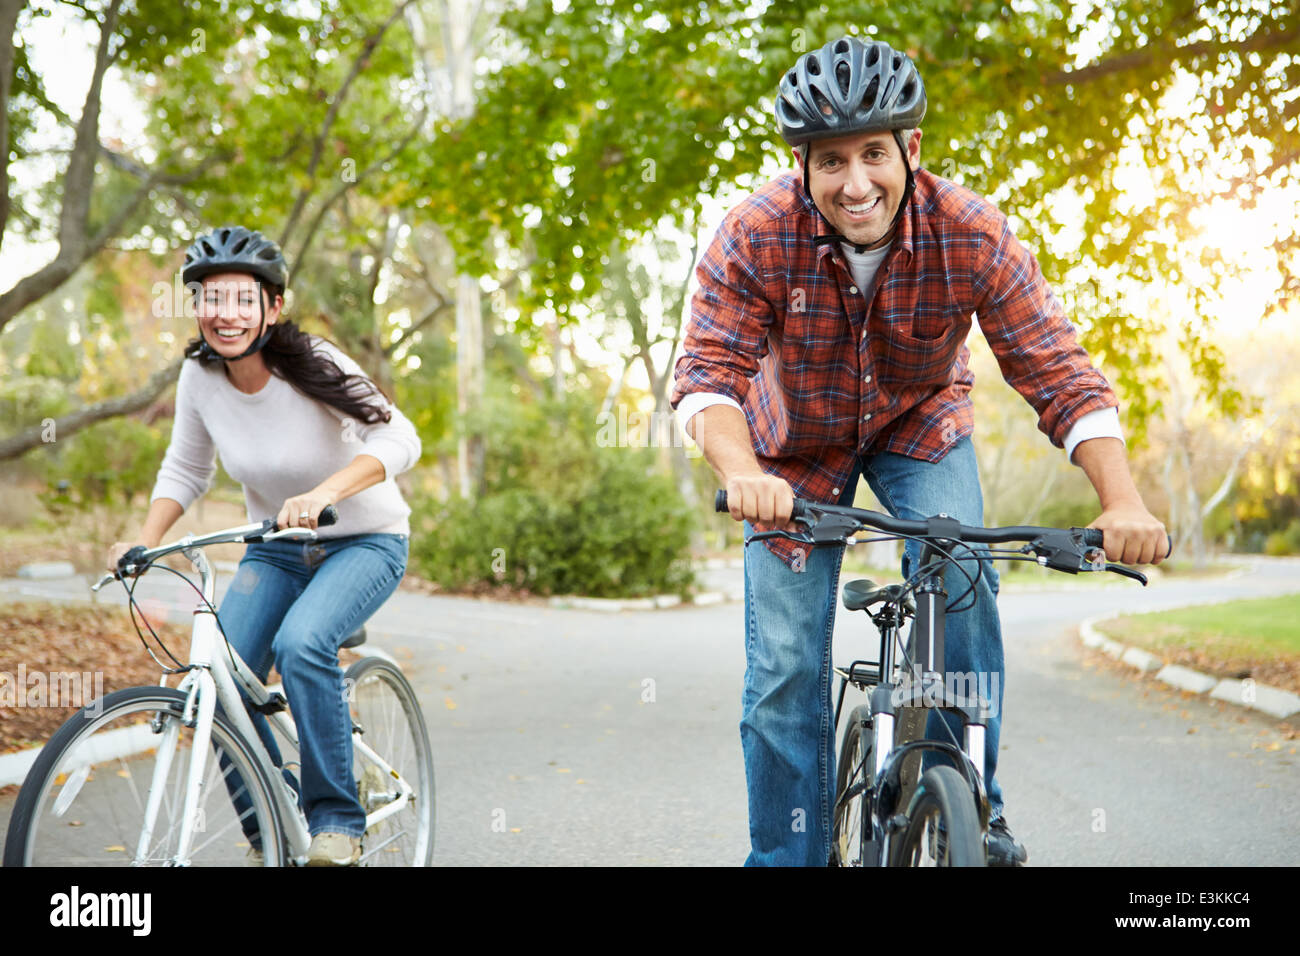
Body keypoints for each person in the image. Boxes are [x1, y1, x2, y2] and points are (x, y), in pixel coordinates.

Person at [671, 36, 1168, 867]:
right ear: (802, 165)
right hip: (789, 450)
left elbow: (1057, 370)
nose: (854, 182)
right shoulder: (754, 234)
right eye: (831, 161)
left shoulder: (971, 232)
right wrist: (742, 473)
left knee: (964, 582)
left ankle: (972, 804)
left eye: (874, 153)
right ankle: (784, 856)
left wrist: (1123, 500)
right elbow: (708, 377)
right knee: (787, 662)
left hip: (919, 424)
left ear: (912, 150)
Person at [108, 226, 421, 866]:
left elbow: (400, 439)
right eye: (211, 297)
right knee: (219, 680)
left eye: (242, 299)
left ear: (271, 308)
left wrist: (326, 491)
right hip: (275, 548)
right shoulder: (200, 378)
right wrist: (143, 542)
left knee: (301, 644)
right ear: (196, 306)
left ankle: (337, 818)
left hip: (363, 541)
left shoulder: (316, 362)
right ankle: (271, 831)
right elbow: (186, 471)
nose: (225, 313)